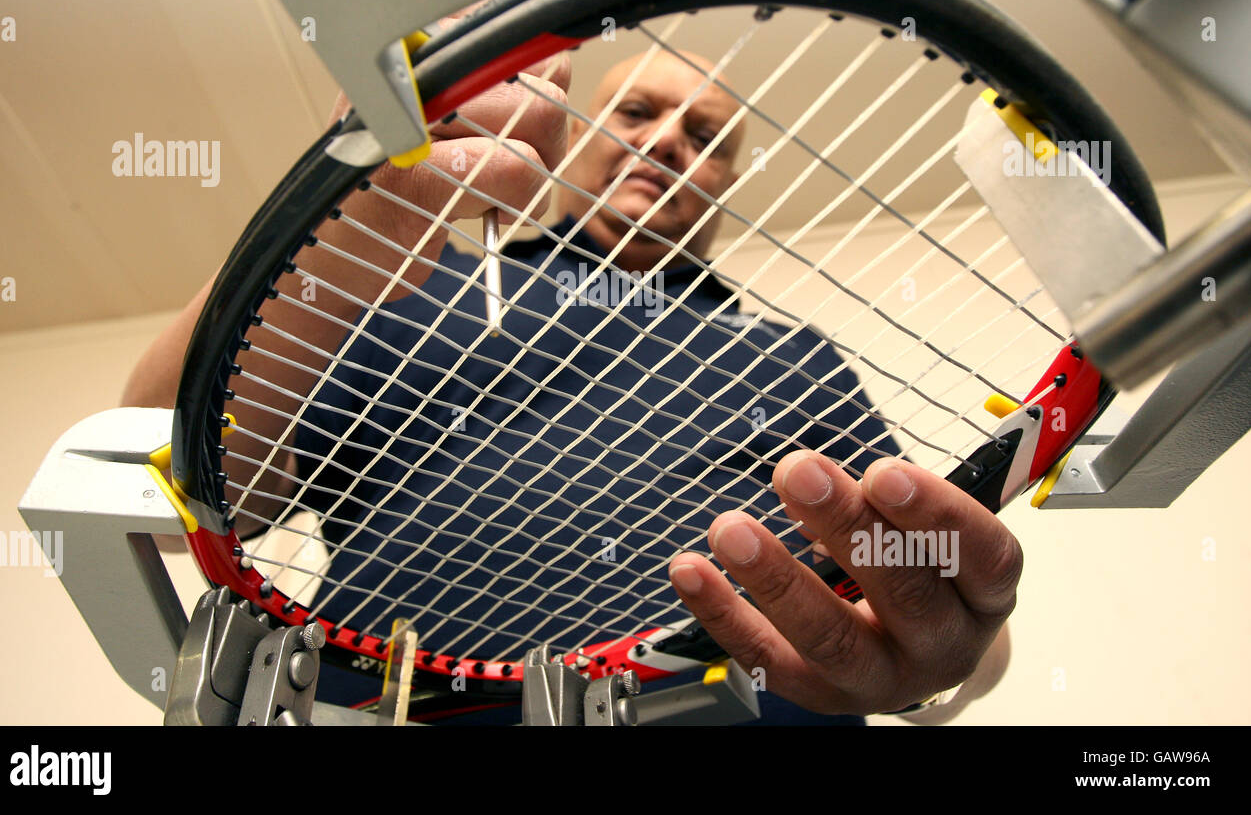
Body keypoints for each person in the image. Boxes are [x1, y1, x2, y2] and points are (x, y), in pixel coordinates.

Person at [123, 45, 1015, 725]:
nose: (667, 141)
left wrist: (942, 657)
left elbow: (953, 623)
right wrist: (360, 204)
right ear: (581, 132)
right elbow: (162, 475)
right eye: (635, 111)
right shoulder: (405, 282)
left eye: (705, 138)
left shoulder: (799, 358)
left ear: (726, 185)